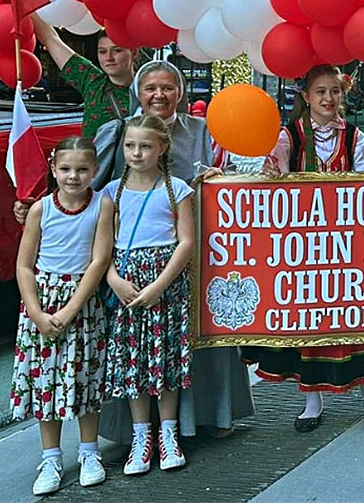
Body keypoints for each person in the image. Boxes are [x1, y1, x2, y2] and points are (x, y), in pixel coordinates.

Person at [90, 60, 255, 445]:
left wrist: (222, 178)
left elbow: (235, 175)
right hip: (135, 261)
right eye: (151, 88)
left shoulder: (204, 130)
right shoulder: (119, 132)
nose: (159, 95)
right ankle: (142, 431)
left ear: (180, 92)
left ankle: (213, 413)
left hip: (202, 251)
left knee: (202, 336)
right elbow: (90, 189)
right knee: (139, 347)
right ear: (138, 91)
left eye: (168, 87)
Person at [241, 65, 364, 434]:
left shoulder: (354, 136)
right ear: (306, 96)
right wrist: (272, 175)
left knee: (360, 321)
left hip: (351, 248)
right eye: (320, 91)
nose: (328, 98)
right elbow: (272, 177)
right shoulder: (289, 136)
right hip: (306, 250)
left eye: (334, 91)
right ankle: (312, 402)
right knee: (311, 323)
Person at [12, 137, 114, 495]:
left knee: (85, 377)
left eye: (82, 169)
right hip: (43, 303)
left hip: (82, 303)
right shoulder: (41, 209)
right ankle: (51, 457)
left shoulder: (102, 205)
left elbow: (99, 261)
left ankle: (89, 452)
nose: (74, 176)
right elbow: (24, 265)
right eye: (66, 169)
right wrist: (37, 313)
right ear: (53, 170)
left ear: (94, 170)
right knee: (47, 383)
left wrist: (72, 308)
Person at [100, 114, 196, 474]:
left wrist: (160, 286)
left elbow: (186, 242)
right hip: (128, 285)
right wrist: (113, 279)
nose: (136, 153)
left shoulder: (177, 189)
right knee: (133, 360)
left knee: (166, 356)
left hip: (165, 284)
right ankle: (141, 435)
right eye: (130, 146)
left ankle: (168, 432)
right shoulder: (112, 192)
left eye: (144, 146)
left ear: (162, 148)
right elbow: (102, 247)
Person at [32, 16, 136, 138]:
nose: (109, 58)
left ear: (134, 53)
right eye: (102, 52)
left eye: (117, 50)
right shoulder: (93, 82)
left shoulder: (148, 88)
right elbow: (50, 39)